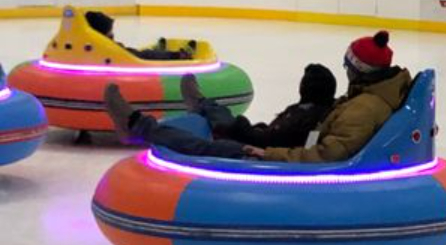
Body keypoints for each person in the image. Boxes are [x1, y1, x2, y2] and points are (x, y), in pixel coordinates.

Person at [103, 31, 413, 162]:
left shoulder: (364, 107)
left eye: (348, 66)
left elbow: (327, 155)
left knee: (207, 147)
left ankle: (137, 126)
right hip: (290, 149)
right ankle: (202, 107)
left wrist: (268, 154)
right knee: (232, 130)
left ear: (358, 70)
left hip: (285, 166)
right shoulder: (367, 98)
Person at [199, 64, 337, 150]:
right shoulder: (308, 111)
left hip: (254, 149)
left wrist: (241, 125)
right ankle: (202, 103)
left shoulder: (307, 118)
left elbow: (269, 141)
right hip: (257, 140)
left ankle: (201, 101)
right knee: (220, 115)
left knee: (219, 114)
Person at [84, 11, 194, 61]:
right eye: (110, 31)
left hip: (121, 53)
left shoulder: (93, 45)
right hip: (125, 58)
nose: (112, 34)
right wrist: (174, 55)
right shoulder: (107, 48)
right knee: (145, 55)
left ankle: (159, 51)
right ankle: (178, 55)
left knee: (142, 52)